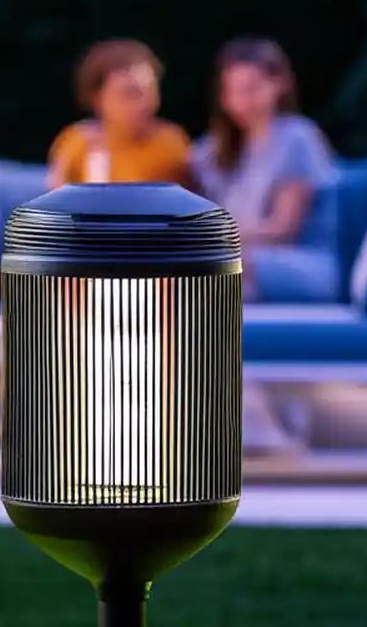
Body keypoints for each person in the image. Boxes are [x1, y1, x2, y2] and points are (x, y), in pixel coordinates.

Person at [191, 37, 338, 455]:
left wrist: (210, 235)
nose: (243, 101)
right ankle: (244, 417)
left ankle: (255, 428)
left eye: (253, 88)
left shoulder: (298, 138)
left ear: (279, 85)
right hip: (239, 264)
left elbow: (283, 228)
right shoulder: (213, 153)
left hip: (302, 266)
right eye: (233, 91)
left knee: (211, 280)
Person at [46, 39, 191, 188]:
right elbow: (55, 201)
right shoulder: (77, 143)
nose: (144, 103)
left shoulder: (172, 143)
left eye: (150, 91)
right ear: (97, 98)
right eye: (130, 94)